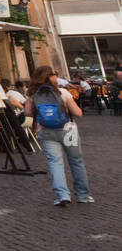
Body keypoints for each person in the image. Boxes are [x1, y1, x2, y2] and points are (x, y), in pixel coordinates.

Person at [27, 66, 93, 207]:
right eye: (55, 75)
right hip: (68, 130)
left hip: (46, 131)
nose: (57, 77)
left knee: (55, 162)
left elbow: (27, 113)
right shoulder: (63, 92)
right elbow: (78, 113)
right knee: (76, 161)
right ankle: (83, 195)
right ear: (50, 77)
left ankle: (62, 195)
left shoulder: (33, 94)